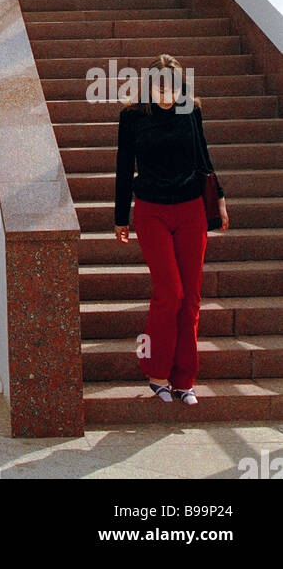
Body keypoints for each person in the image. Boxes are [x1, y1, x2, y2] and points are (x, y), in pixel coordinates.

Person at [114, 54, 229, 406]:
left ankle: (184, 380)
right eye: (160, 83)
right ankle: (156, 372)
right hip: (151, 211)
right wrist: (121, 217)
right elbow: (123, 167)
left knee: (191, 297)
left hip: (192, 208)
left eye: (173, 84)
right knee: (170, 293)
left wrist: (219, 199)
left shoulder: (189, 112)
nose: (167, 90)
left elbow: (203, 157)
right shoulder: (133, 117)